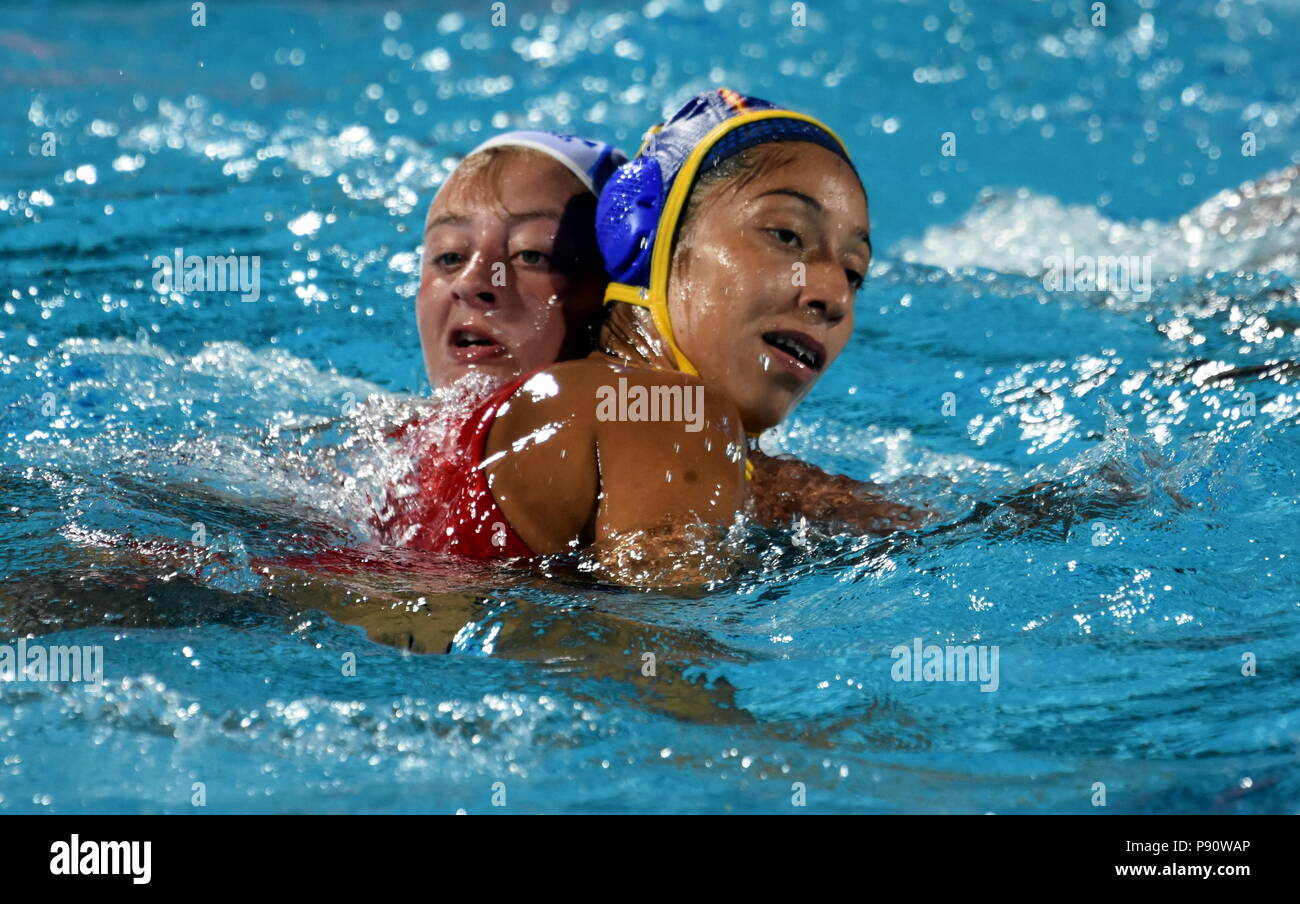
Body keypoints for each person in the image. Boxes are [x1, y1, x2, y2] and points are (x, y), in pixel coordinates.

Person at [463, 89, 882, 585]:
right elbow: (647, 652)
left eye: (854, 273)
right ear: (645, 238)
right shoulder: (676, 411)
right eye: (786, 235)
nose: (835, 296)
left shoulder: (609, 417)